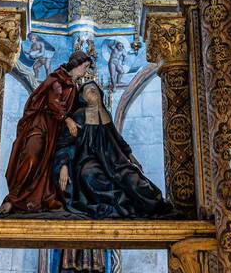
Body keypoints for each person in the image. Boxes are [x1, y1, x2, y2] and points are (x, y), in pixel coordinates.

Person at [53, 79, 172, 219]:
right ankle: (120, 205)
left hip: (114, 160)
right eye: (87, 90)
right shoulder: (79, 115)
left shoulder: (105, 114)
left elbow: (117, 139)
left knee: (134, 179)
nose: (92, 90)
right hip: (88, 160)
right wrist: (63, 166)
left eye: (94, 88)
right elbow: (64, 143)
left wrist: (131, 157)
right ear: (82, 97)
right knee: (89, 175)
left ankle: (156, 206)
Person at [0, 51, 92, 215]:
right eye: (84, 67)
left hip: (56, 132)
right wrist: (68, 120)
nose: (85, 72)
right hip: (41, 125)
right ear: (76, 65)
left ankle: (41, 200)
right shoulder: (58, 79)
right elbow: (54, 102)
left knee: (48, 165)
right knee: (31, 156)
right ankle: (13, 198)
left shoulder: (76, 88)